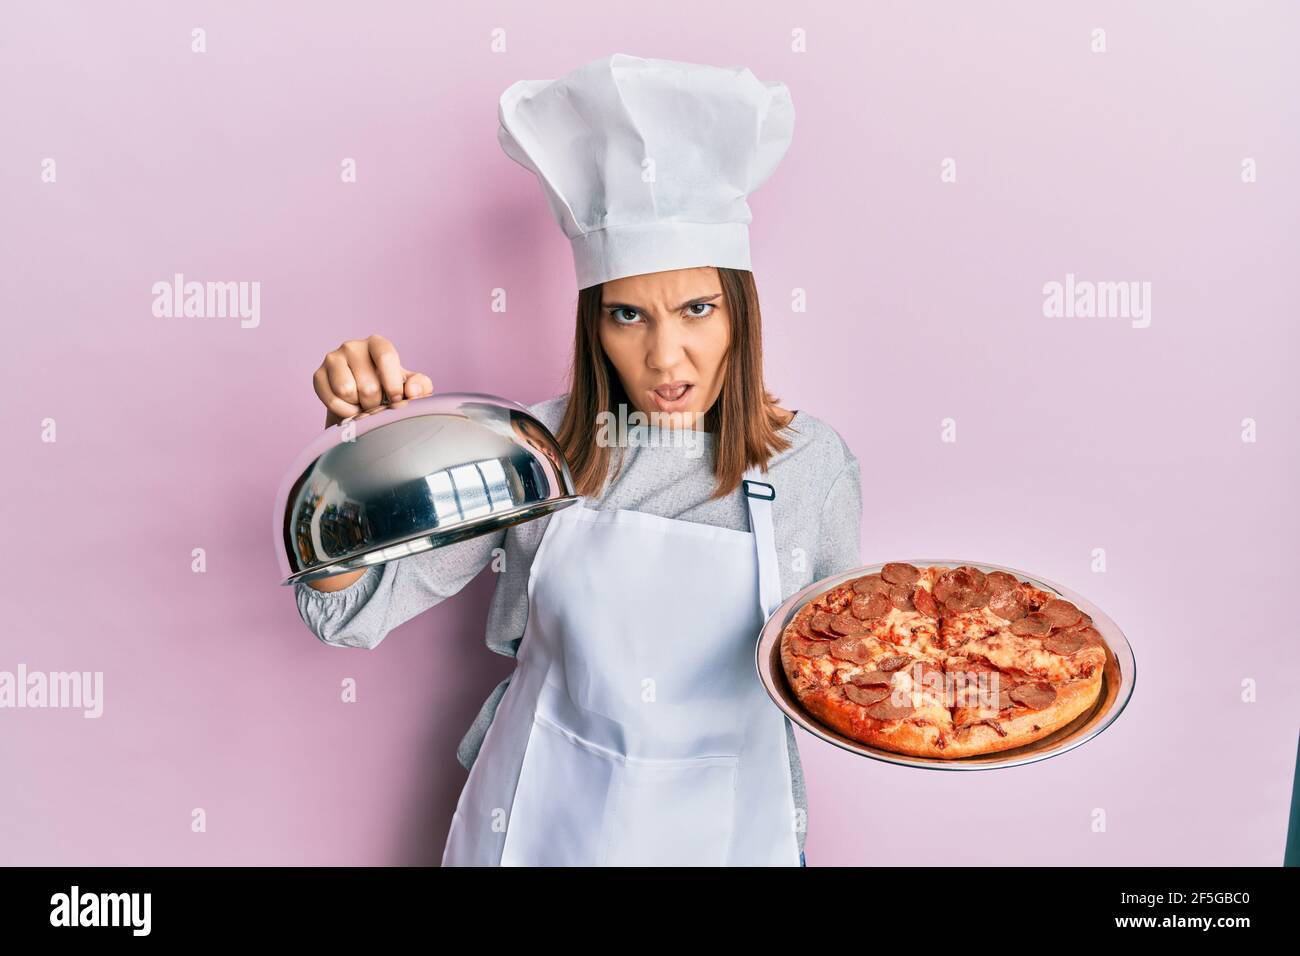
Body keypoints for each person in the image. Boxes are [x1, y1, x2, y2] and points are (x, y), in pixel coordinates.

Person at [293, 53, 861, 866]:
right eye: (628, 315)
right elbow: (354, 612)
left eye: (697, 310)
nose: (667, 358)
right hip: (538, 827)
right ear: (593, 324)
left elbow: (842, 680)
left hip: (732, 837)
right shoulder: (529, 448)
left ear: (741, 311)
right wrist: (346, 470)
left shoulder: (813, 467)